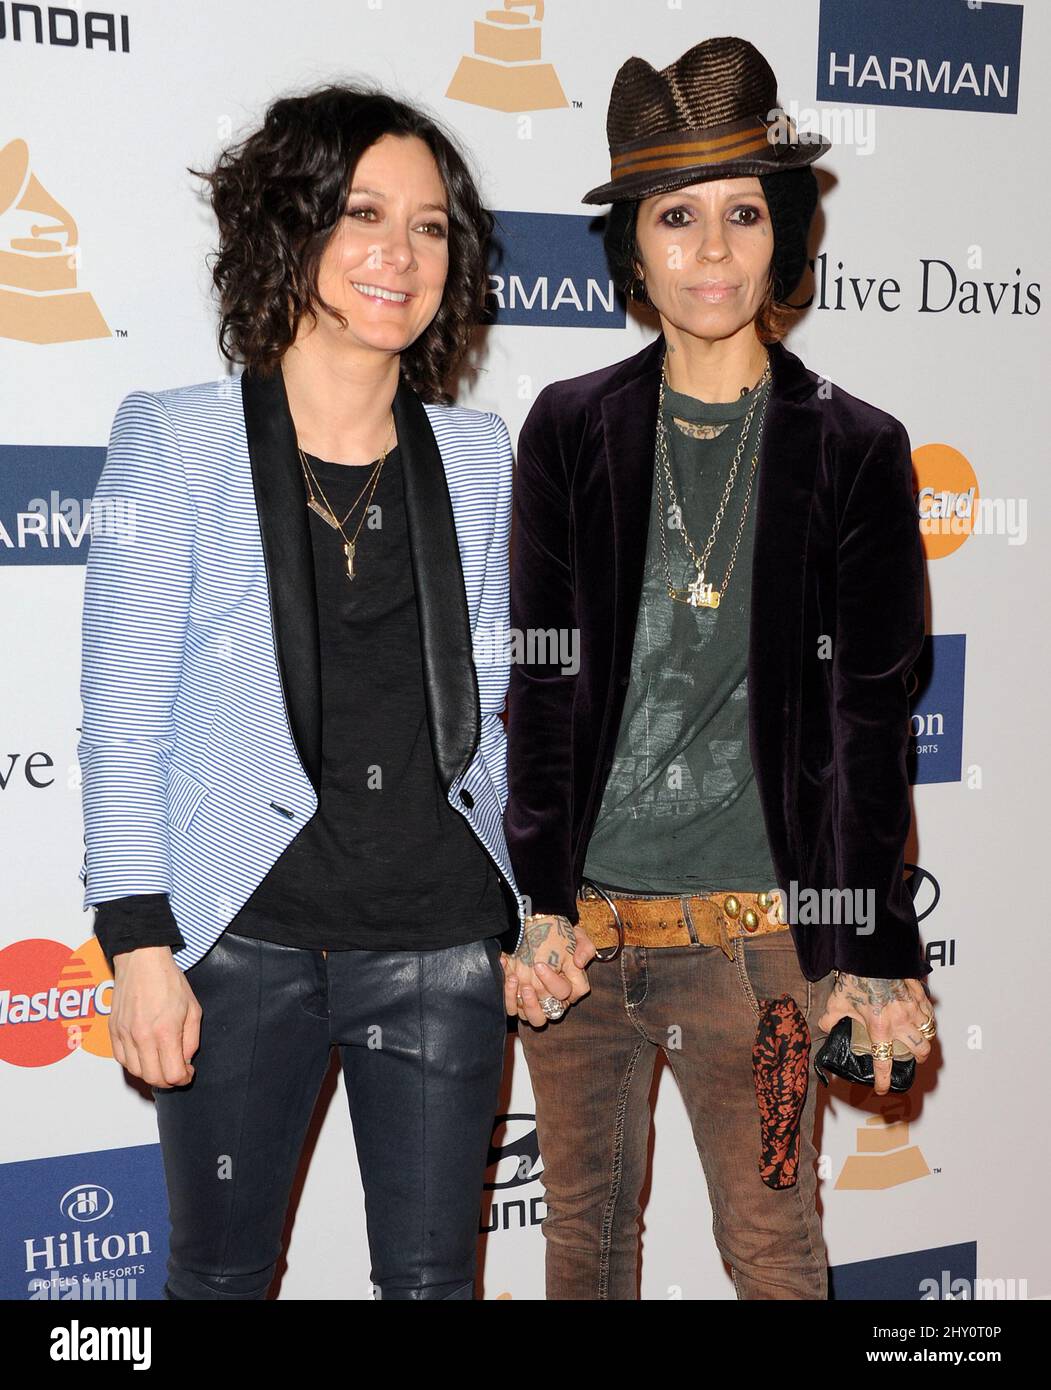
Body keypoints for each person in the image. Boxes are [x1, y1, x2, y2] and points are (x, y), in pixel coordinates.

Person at [77, 83, 544, 1301]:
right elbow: (124, 716)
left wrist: (531, 901)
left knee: (436, 1285)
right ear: (293, 230)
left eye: (433, 226)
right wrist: (137, 943)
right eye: (363, 213)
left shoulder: (477, 455)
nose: (402, 252)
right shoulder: (175, 441)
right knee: (221, 1278)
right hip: (242, 945)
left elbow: (498, 714)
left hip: (440, 943)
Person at [502, 36, 939, 1300]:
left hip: (759, 955)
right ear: (631, 247)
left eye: (741, 212)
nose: (708, 250)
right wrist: (534, 900)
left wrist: (874, 947)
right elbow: (542, 678)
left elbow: (869, 720)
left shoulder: (855, 447)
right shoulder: (571, 426)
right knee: (581, 1253)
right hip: (581, 943)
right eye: (673, 215)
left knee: (771, 1255)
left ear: (783, 231)